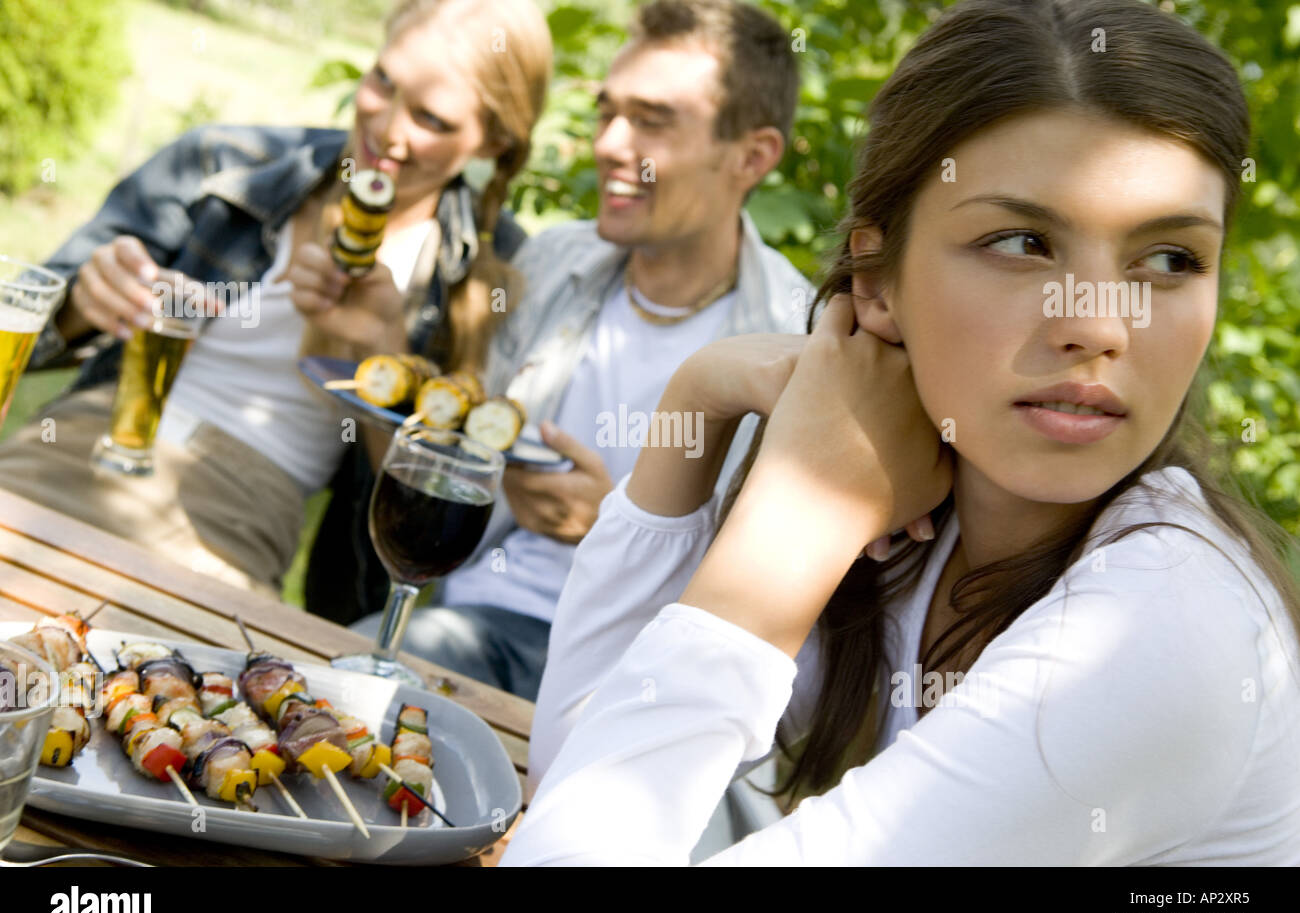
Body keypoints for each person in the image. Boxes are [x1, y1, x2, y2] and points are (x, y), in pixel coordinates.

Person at [502, 0, 1300, 865]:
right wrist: (696, 401)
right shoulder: (925, 522)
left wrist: (793, 522)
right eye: (1024, 241)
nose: (1100, 324)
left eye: (1172, 259)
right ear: (877, 282)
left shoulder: (1159, 631)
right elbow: (575, 779)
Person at [0, 0, 552, 597]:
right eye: (382, 83)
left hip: (238, 515)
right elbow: (27, 322)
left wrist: (381, 345)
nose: (388, 130)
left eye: (432, 119)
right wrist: (87, 301)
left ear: (493, 140)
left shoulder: (489, 275)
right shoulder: (225, 161)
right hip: (85, 444)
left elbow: (419, 515)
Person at [353, 0, 811, 701]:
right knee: (346, 685)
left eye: (652, 121)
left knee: (368, 692)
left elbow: (788, 601)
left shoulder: (798, 337)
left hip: (642, 675)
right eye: (607, 113)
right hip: (477, 619)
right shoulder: (552, 263)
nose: (607, 144)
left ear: (751, 157)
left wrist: (623, 531)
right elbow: (440, 465)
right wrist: (383, 343)